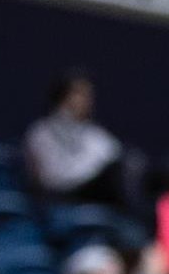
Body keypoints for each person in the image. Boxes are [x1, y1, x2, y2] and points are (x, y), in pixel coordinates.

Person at [25, 71, 127, 205]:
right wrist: (95, 167)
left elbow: (117, 155)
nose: (88, 100)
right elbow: (52, 179)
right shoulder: (40, 133)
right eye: (80, 94)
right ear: (62, 96)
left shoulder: (95, 134)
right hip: (59, 200)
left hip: (96, 199)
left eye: (89, 95)